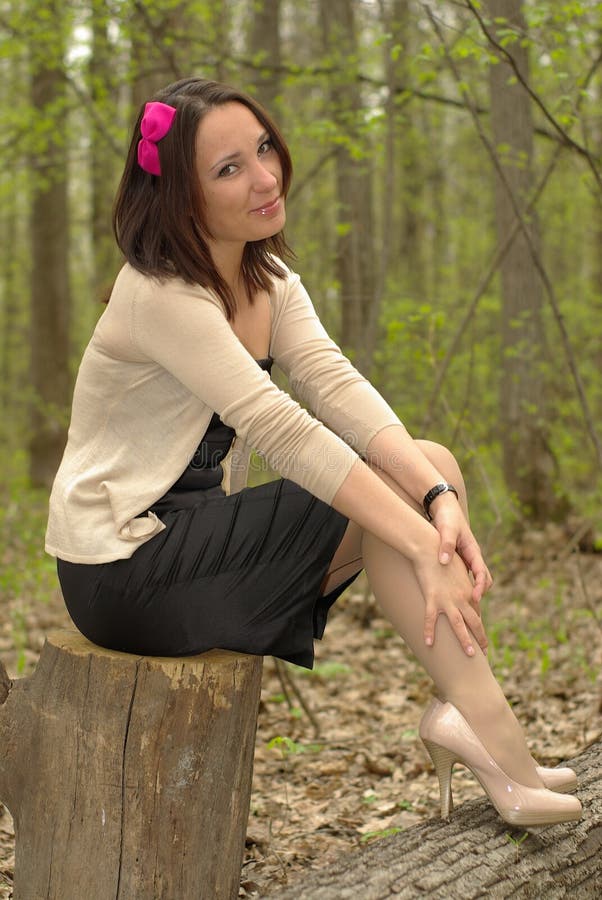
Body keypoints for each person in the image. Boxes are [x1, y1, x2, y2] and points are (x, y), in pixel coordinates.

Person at [46, 77, 581, 828]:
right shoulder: (159, 294)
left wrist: (439, 502)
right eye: (228, 168)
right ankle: (504, 751)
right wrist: (423, 543)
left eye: (263, 148)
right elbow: (282, 428)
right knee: (399, 513)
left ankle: (469, 721)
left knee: (432, 466)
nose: (265, 176)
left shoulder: (267, 278)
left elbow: (339, 388)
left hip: (197, 537)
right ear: (180, 199)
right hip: (124, 566)